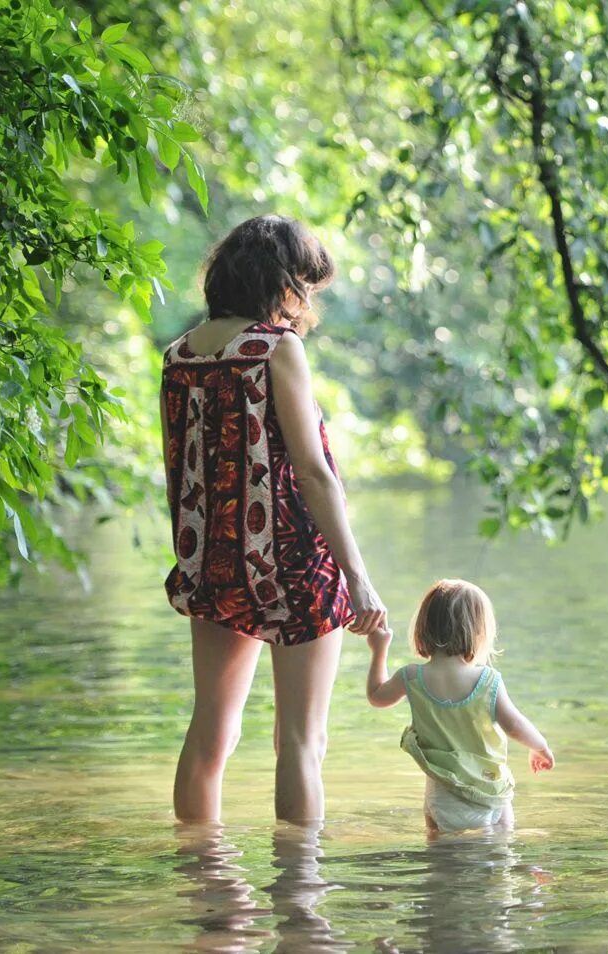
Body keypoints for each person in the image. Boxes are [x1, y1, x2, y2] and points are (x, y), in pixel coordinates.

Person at [162, 215, 388, 824]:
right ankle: (299, 882)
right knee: (301, 742)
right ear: (278, 281)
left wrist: (200, 555)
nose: (304, 299)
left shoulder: (178, 355)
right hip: (292, 557)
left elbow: (181, 468)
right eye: (302, 284)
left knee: (211, 731)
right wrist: (358, 578)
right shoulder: (275, 348)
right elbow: (313, 473)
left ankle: (202, 874)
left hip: (215, 560)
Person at [366, 579, 554, 834]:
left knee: (438, 847)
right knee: (501, 842)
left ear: (424, 627)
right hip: (488, 788)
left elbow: (377, 696)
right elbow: (515, 725)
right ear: (478, 632)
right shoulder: (488, 681)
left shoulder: (411, 677)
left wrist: (379, 649)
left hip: (441, 793)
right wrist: (540, 746)